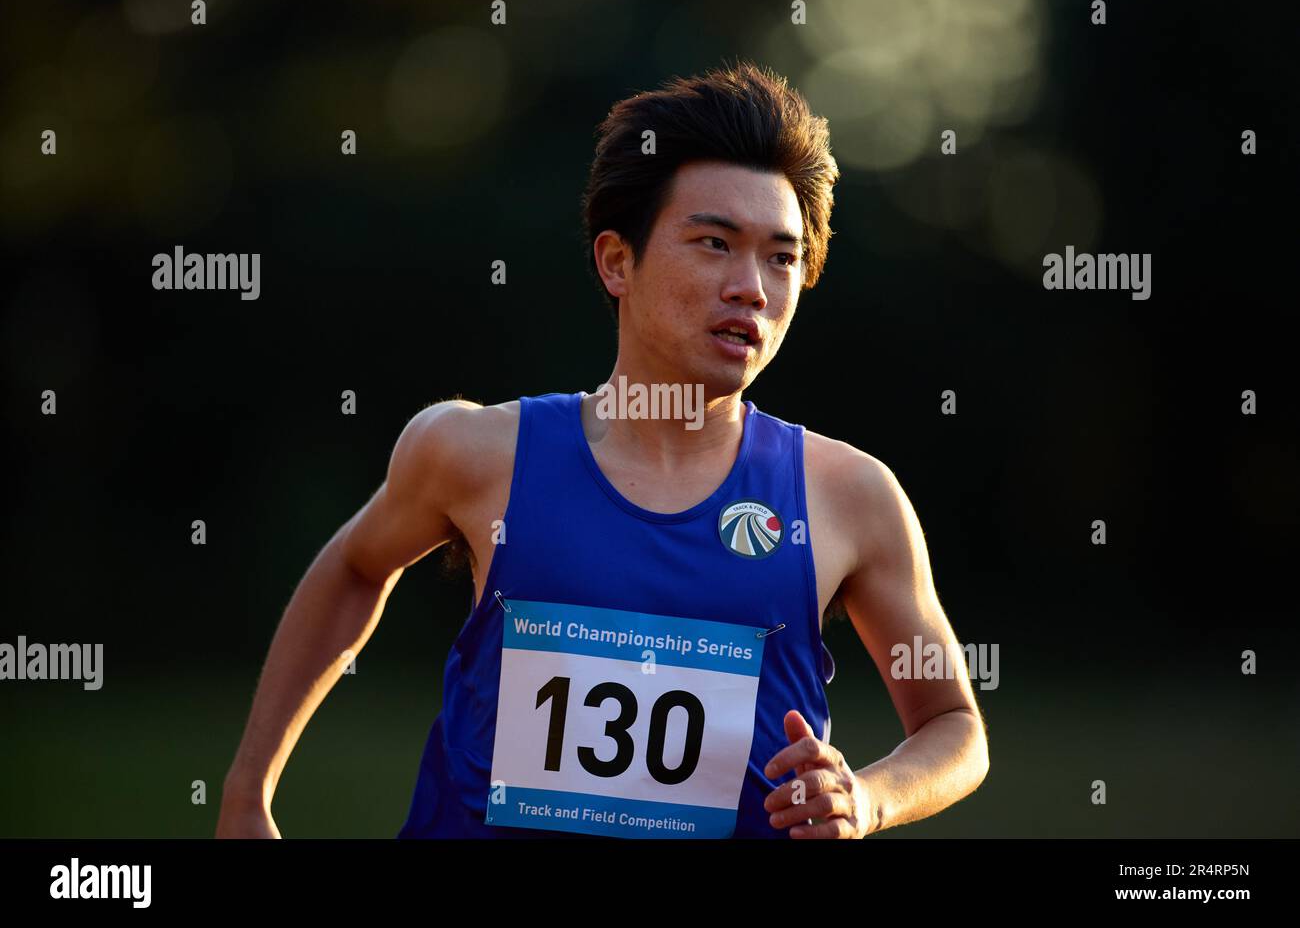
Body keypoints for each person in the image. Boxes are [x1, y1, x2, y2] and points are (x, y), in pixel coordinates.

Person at [216, 59, 989, 840]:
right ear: (618, 260)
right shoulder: (474, 452)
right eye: (715, 243)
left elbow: (955, 723)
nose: (752, 286)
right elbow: (356, 564)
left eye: (782, 256)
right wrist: (249, 793)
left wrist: (870, 796)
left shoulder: (850, 496)